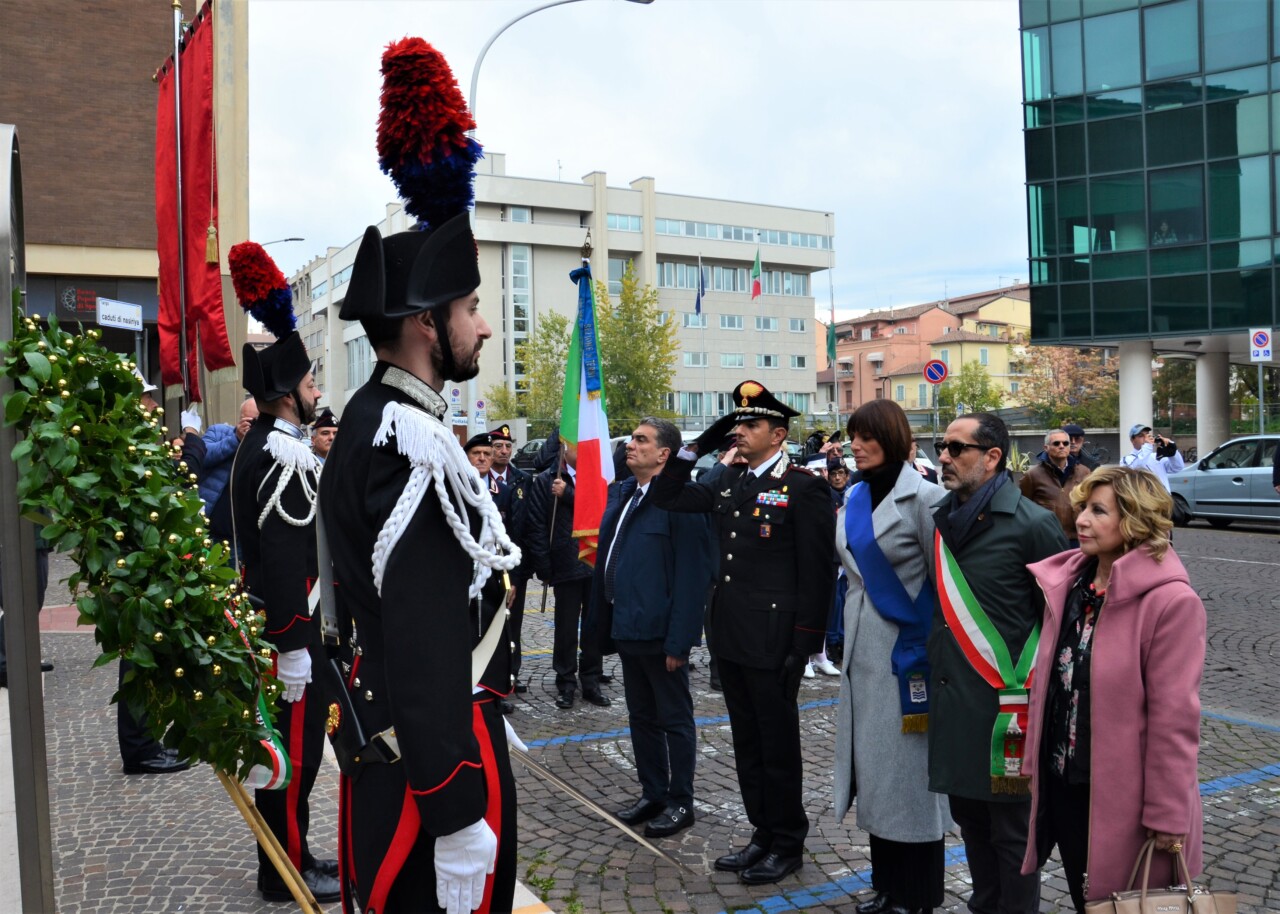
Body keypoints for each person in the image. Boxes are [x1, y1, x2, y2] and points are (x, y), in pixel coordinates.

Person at [319, 209, 521, 913]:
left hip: (387, 735)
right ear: (427, 323)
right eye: (471, 308)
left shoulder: (371, 418)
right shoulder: (413, 447)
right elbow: (425, 639)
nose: (486, 326)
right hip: (426, 764)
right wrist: (456, 810)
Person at [649, 380, 835, 886]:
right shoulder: (727, 479)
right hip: (730, 635)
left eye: (751, 424)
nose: (741, 430)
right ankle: (762, 833)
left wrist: (804, 645)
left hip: (775, 641)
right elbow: (667, 495)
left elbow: (817, 574)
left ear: (778, 434)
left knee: (776, 745)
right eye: (738, 423)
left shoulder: (804, 487)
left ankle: (788, 840)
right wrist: (697, 447)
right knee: (747, 743)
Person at [1020, 467, 1206, 913]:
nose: (1080, 519)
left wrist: (1167, 814)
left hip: (1128, 805)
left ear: (1136, 521)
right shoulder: (1071, 586)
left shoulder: (1171, 603)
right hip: (1065, 789)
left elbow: (1174, 719)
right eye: (1082, 507)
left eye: (1097, 511)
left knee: (1126, 905)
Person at [928, 412, 1067, 914]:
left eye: (955, 448)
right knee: (971, 826)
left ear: (991, 457)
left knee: (1012, 837)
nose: (942, 456)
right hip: (956, 705)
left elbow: (1057, 622)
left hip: (1008, 714)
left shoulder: (1033, 525)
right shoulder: (943, 519)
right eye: (941, 446)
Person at [228, 324, 338, 904]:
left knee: (293, 755)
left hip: (277, 626)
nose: (316, 390)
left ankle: (291, 855)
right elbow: (284, 553)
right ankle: (285, 868)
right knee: (294, 758)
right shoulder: (283, 451)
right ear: (288, 392)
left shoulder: (267, 443)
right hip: (288, 633)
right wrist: (294, 644)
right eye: (311, 381)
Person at [834, 399, 949, 914]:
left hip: (908, 661)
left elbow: (945, 583)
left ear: (894, 439)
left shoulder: (926, 498)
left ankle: (917, 896)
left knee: (910, 782)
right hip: (862, 655)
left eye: (866, 436)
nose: (854, 445)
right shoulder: (854, 496)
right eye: (852, 435)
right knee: (876, 777)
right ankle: (887, 886)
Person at [589, 417, 713, 839]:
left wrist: (680, 639)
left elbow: (693, 576)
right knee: (641, 716)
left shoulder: (682, 501)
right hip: (628, 626)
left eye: (641, 440)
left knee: (674, 719)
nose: (631, 445)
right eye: (632, 439)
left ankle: (681, 801)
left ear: (665, 454)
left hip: (661, 633)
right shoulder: (625, 493)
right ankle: (653, 792)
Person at [116, 371, 201, 776]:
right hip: (136, 571)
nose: (152, 405)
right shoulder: (127, 450)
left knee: (144, 660)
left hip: (144, 570)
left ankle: (145, 742)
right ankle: (140, 748)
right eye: (146, 398)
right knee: (138, 660)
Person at [526, 440, 611, 710]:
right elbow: (536, 525)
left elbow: (602, 512)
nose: (585, 451)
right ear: (564, 449)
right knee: (565, 629)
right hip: (564, 564)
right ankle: (566, 682)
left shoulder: (598, 478)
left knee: (594, 626)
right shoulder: (546, 480)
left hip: (595, 561)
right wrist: (544, 567)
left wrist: (570, 495)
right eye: (577, 446)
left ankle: (591, 680)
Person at [489, 424, 533, 695]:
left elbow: (528, 526)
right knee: (490, 623)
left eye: (508, 447)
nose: (504, 451)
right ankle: (492, 677)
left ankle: (512, 675)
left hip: (516, 564)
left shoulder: (522, 479)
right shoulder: (477, 479)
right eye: (498, 447)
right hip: (489, 564)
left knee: (513, 624)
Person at [1018, 430, 1090, 548]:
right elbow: (1024, 508)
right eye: (1056, 443)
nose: (1061, 446)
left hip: (1077, 537)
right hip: (1047, 538)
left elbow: (1090, 502)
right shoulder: (1032, 475)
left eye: (1065, 443)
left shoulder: (1084, 472)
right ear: (1046, 447)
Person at [1120, 423, 1184, 492]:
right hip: (1144, 501)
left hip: (1164, 500)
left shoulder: (1156, 456)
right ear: (1132, 440)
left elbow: (1178, 468)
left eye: (1148, 434)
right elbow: (1138, 467)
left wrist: (1173, 454)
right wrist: (1147, 445)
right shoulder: (1126, 460)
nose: (1146, 438)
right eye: (1141, 436)